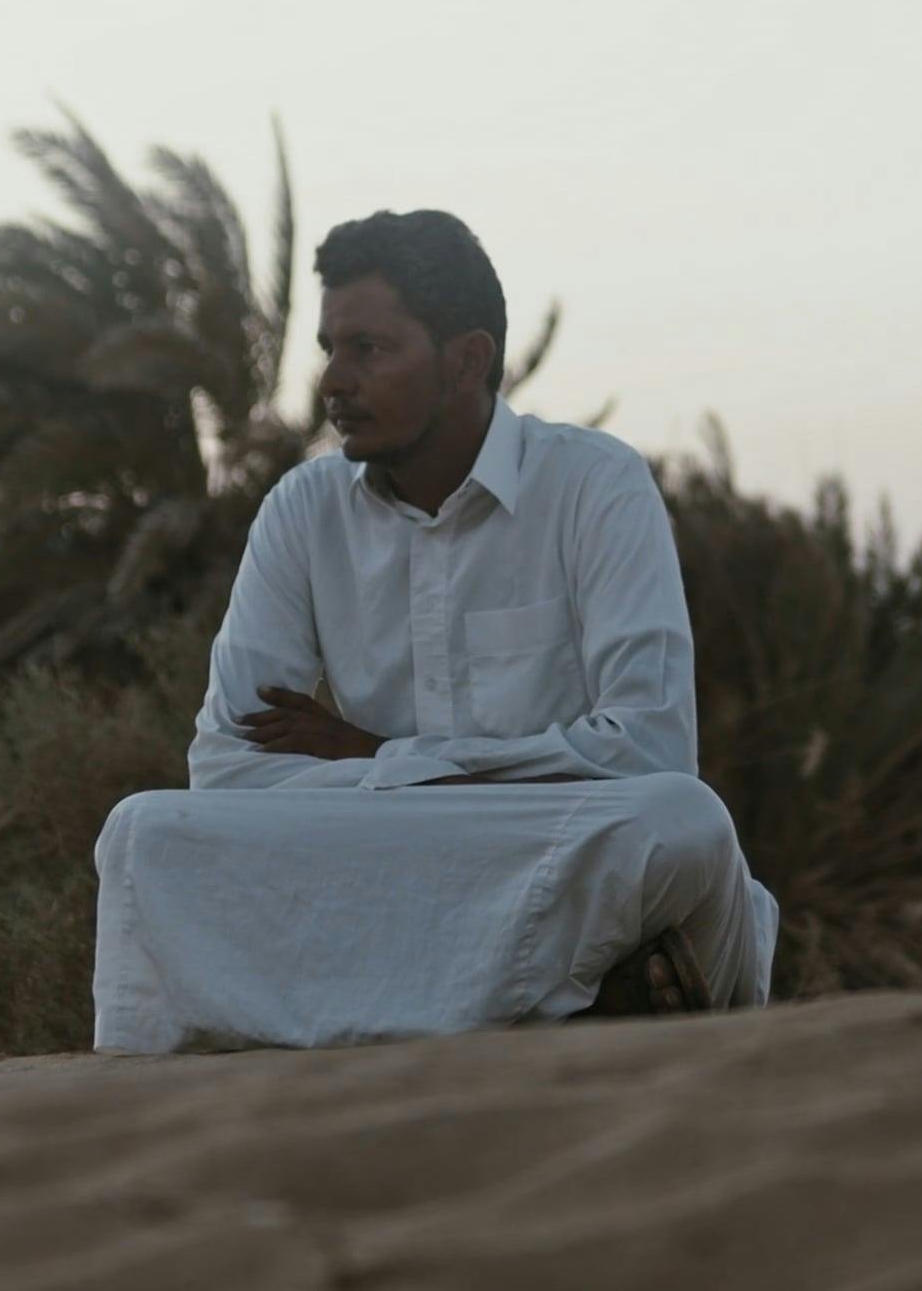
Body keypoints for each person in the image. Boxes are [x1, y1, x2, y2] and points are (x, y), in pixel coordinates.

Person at [91, 209, 778, 1053]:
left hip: (549, 850)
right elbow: (226, 765)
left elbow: (649, 748)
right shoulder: (303, 513)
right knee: (144, 832)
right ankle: (571, 996)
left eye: (369, 350)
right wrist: (424, 785)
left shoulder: (595, 485)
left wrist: (377, 756)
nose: (333, 382)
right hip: (395, 855)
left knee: (682, 821)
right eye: (329, 350)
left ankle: (368, 1011)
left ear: (467, 360)